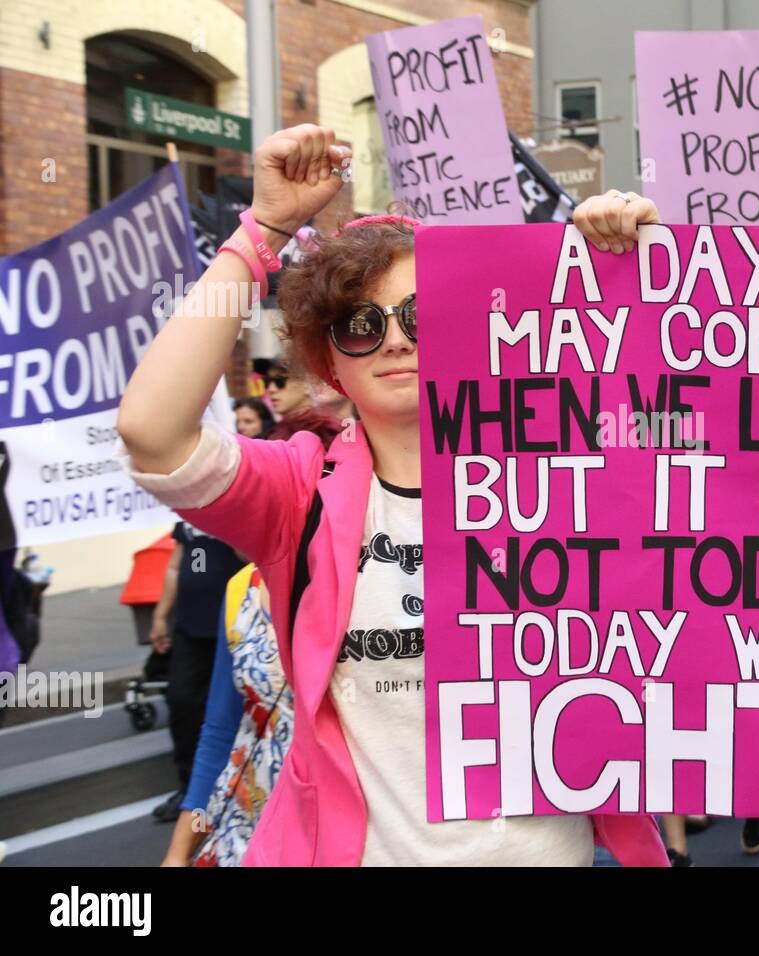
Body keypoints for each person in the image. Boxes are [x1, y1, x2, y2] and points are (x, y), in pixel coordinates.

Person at [117, 124, 666, 866]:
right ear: (330, 360)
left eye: (419, 316)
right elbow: (152, 430)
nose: (397, 340)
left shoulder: (564, 467)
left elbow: (717, 439)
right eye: (362, 324)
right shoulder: (297, 490)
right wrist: (264, 230)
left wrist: (643, 270)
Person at [162, 410, 341, 866]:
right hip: (252, 834)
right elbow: (222, 731)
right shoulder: (241, 590)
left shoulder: (384, 585)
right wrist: (179, 852)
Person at [149, 518, 247, 822]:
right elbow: (175, 567)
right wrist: (161, 616)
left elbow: (252, 553)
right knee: (182, 702)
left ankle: (240, 788)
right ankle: (190, 789)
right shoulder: (186, 512)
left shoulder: (233, 499)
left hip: (234, 623)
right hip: (191, 627)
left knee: (233, 712)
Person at [254, 354, 312, 419]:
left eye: (280, 381)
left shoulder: (319, 426)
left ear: (307, 384)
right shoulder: (277, 426)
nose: (271, 389)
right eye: (268, 381)